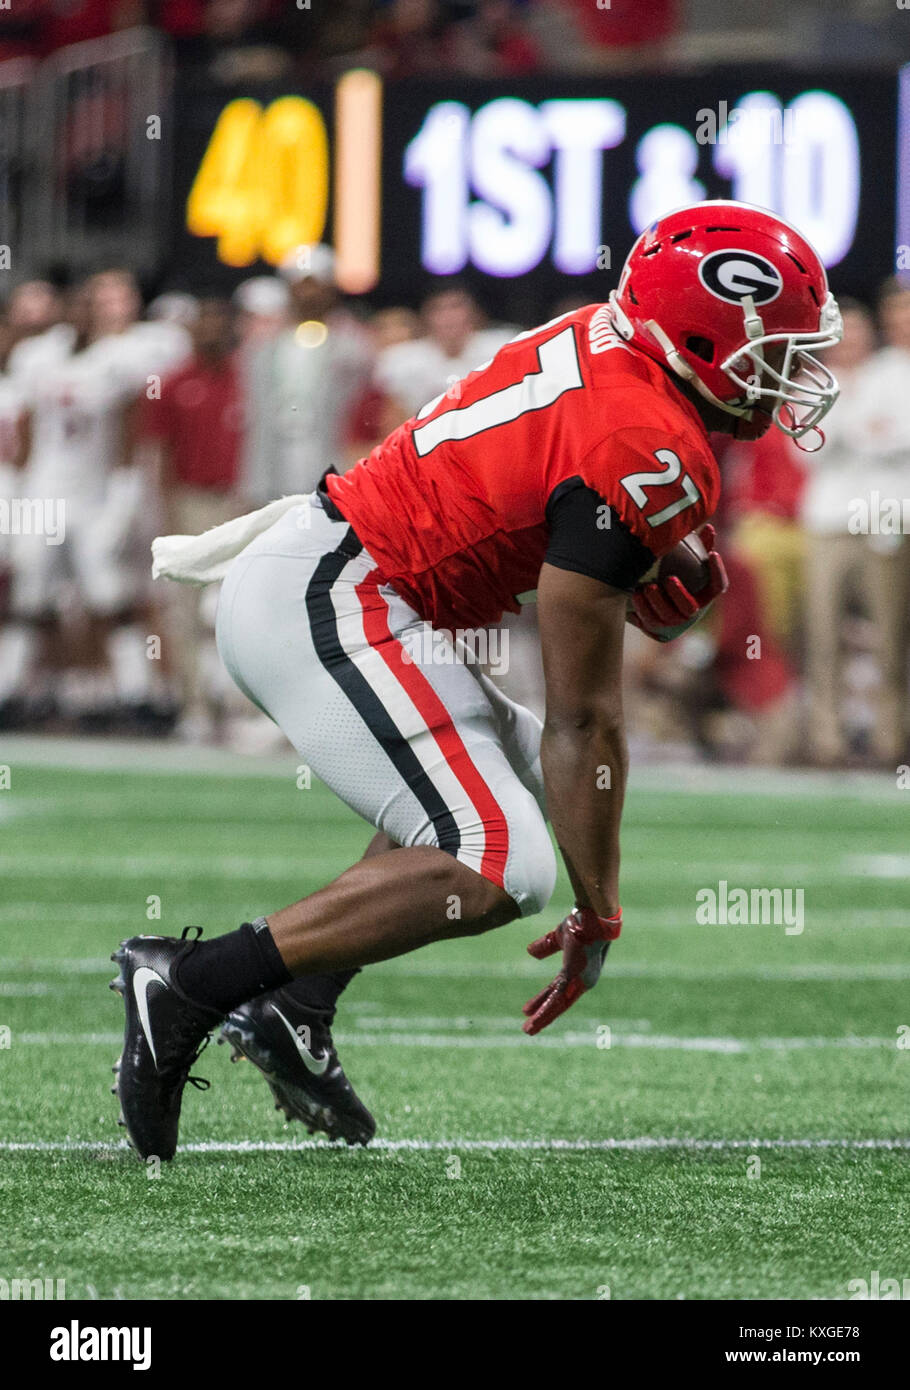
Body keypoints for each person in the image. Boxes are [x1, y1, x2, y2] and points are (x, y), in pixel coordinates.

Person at [110, 202, 841, 1160]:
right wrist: (601, 912)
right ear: (697, 338)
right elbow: (585, 719)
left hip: (345, 577)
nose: (788, 378)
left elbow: (547, 506)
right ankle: (196, 981)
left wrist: (634, 563)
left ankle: (297, 1003)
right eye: (773, 351)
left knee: (506, 789)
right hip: (331, 599)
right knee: (505, 863)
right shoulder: (652, 447)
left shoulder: (609, 340)